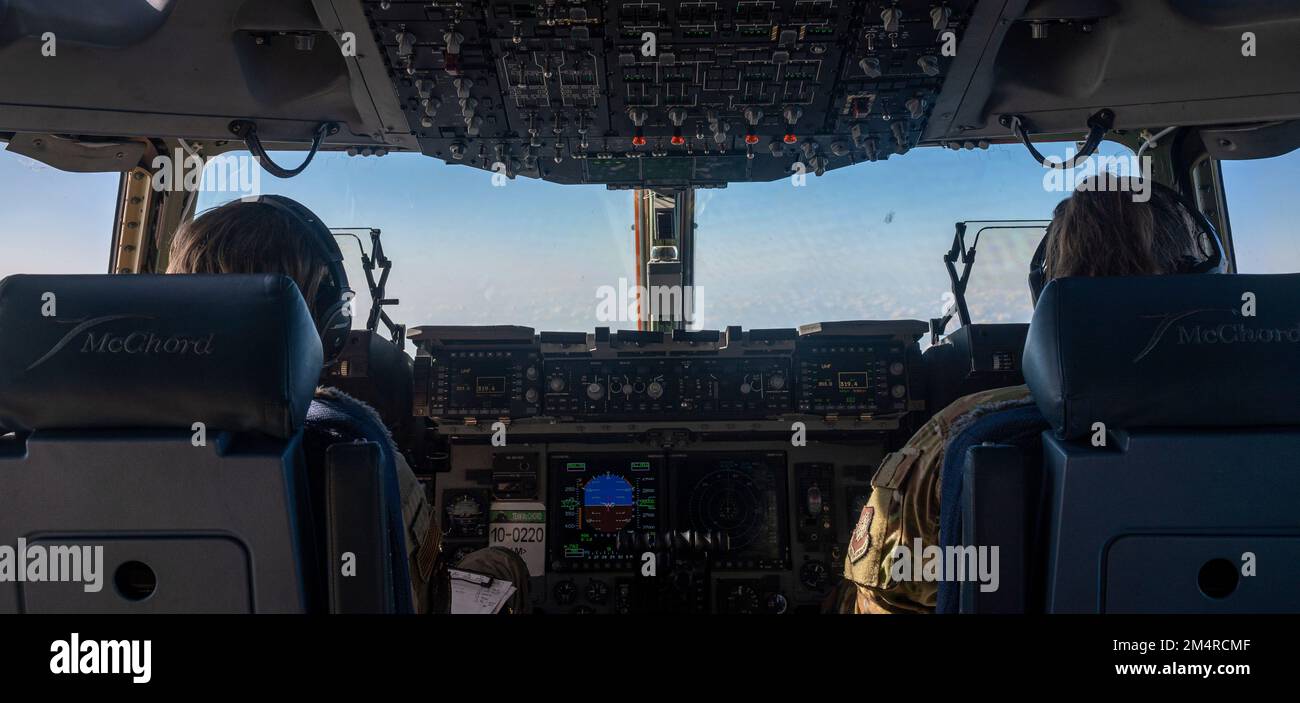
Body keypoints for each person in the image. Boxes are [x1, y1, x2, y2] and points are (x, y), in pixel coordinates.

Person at [843, 176, 1225, 614]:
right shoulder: (1272, 425)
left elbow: (883, 604)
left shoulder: (958, 435)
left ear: (1048, 294)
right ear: (1208, 287)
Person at [167, 196, 529, 613]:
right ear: (327, 319)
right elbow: (421, 598)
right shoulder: (351, 442)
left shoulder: (94, 441)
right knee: (503, 565)